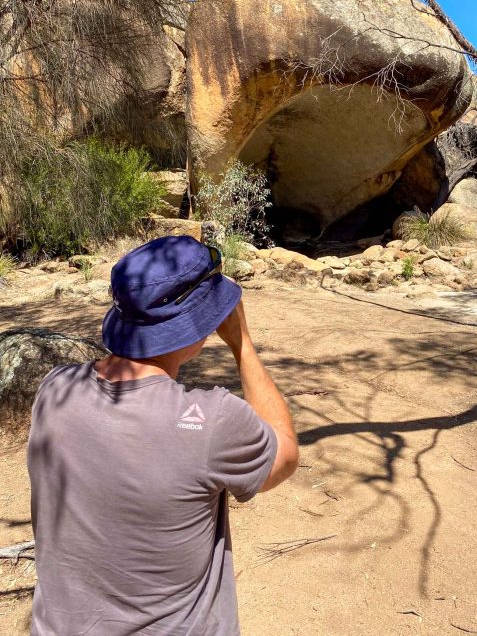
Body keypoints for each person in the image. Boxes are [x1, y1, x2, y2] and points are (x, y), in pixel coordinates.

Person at [27, 235, 299, 636]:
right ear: (199, 322)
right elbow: (286, 456)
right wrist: (243, 346)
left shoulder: (55, 389)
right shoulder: (213, 420)